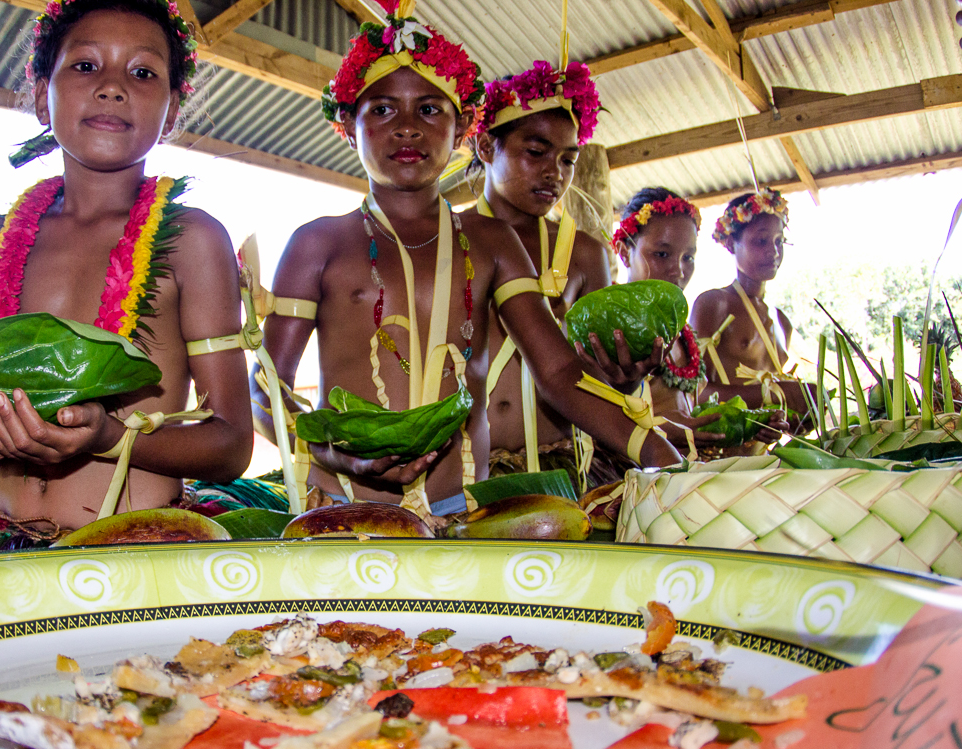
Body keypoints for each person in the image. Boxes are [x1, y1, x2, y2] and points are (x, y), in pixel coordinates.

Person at [252, 0, 679, 520]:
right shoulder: (315, 244)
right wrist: (325, 448)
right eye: (382, 109)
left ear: (461, 133)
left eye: (430, 109)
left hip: (460, 509)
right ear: (348, 123)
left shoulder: (493, 242)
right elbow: (264, 388)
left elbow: (559, 371)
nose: (407, 127)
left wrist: (651, 448)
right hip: (343, 503)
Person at [0, 0, 253, 552]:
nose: (112, 87)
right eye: (86, 65)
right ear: (43, 94)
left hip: (133, 548)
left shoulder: (192, 240)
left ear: (169, 115)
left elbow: (231, 445)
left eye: (142, 73)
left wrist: (111, 438)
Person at [463, 59, 638, 478]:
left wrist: (627, 380)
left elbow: (597, 380)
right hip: (462, 471)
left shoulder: (584, 254)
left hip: (560, 469)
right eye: (536, 152)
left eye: (567, 160)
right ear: (486, 147)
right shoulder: (449, 238)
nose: (554, 173)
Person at [613, 187, 799, 455]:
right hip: (634, 482)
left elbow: (693, 407)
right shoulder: (611, 326)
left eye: (688, 257)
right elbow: (592, 417)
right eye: (662, 254)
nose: (679, 269)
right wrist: (665, 433)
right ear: (624, 252)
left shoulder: (680, 333)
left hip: (684, 478)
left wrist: (746, 424)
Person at [693, 188, 799, 394]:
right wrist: (769, 398)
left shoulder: (781, 321)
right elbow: (691, 391)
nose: (774, 251)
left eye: (779, 241)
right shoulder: (714, 304)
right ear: (732, 244)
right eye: (761, 240)